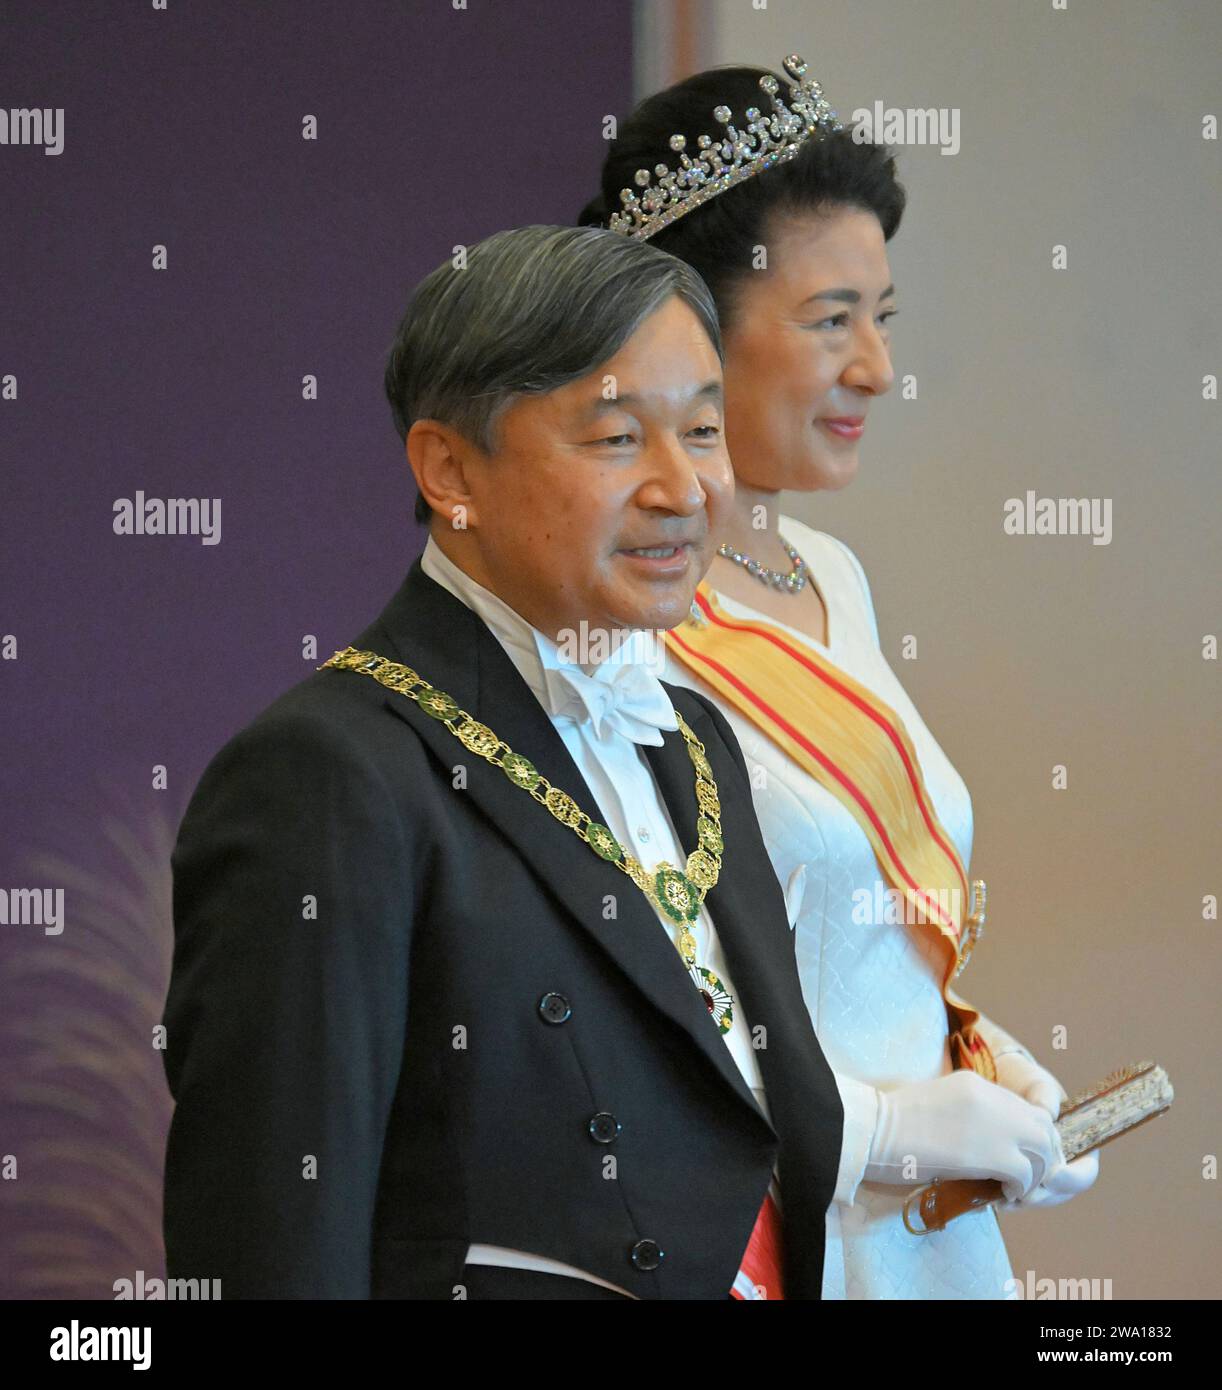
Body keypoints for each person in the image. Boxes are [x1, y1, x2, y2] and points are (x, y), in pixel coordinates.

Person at [160, 223, 846, 1300]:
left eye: (703, 430)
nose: (683, 488)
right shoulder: (329, 773)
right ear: (448, 469)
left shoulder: (693, 740)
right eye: (617, 438)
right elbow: (272, 1240)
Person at [578, 56, 1098, 1299]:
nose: (875, 367)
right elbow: (632, 1020)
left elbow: (857, 944)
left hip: (927, 1237)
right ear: (686, 330)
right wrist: (896, 1122)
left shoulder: (829, 573)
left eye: (885, 318)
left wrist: (977, 1063)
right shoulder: (611, 620)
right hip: (765, 1243)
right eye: (830, 321)